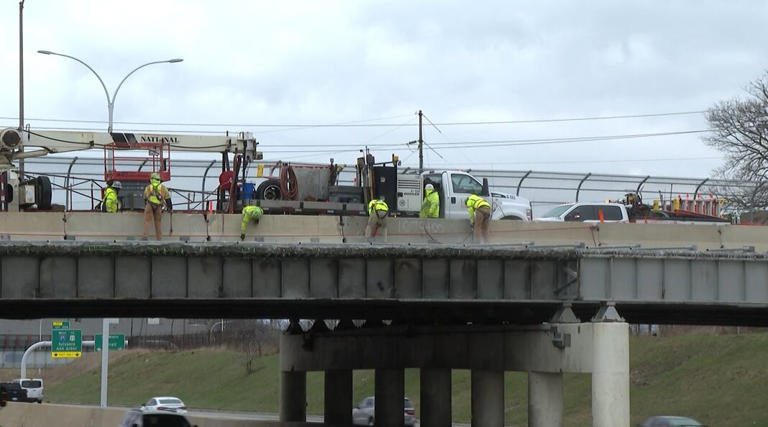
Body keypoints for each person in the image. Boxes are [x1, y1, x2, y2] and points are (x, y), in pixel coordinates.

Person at [142, 173, 171, 240]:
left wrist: (146, 205)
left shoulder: (148, 187)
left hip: (149, 205)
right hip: (159, 206)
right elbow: (168, 199)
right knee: (158, 222)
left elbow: (145, 198)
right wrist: (170, 208)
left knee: (147, 221)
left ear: (151, 179)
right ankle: (159, 239)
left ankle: (145, 237)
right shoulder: (163, 188)